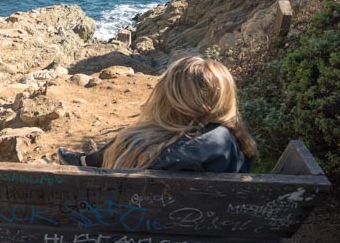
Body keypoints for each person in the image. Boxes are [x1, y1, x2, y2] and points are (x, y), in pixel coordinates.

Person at [58, 56, 257, 172]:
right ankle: (87, 160)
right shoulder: (237, 147)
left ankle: (86, 161)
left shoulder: (139, 147)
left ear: (168, 97)